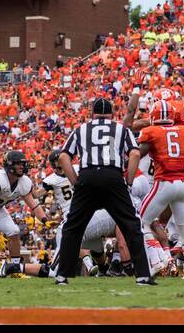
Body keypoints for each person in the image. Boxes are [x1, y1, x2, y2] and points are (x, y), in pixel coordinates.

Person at [53, 96, 154, 286]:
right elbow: (134, 153)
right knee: (132, 225)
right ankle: (142, 275)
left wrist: (75, 181)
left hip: (87, 176)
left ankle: (62, 276)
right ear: (111, 114)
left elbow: (63, 157)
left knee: (72, 227)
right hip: (112, 176)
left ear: (92, 114)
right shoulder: (120, 129)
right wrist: (129, 182)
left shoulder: (80, 130)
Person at [129, 96, 184, 278]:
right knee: (183, 229)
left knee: (141, 222)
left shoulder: (151, 132)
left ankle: (159, 261)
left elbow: (138, 154)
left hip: (163, 183)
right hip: (182, 185)